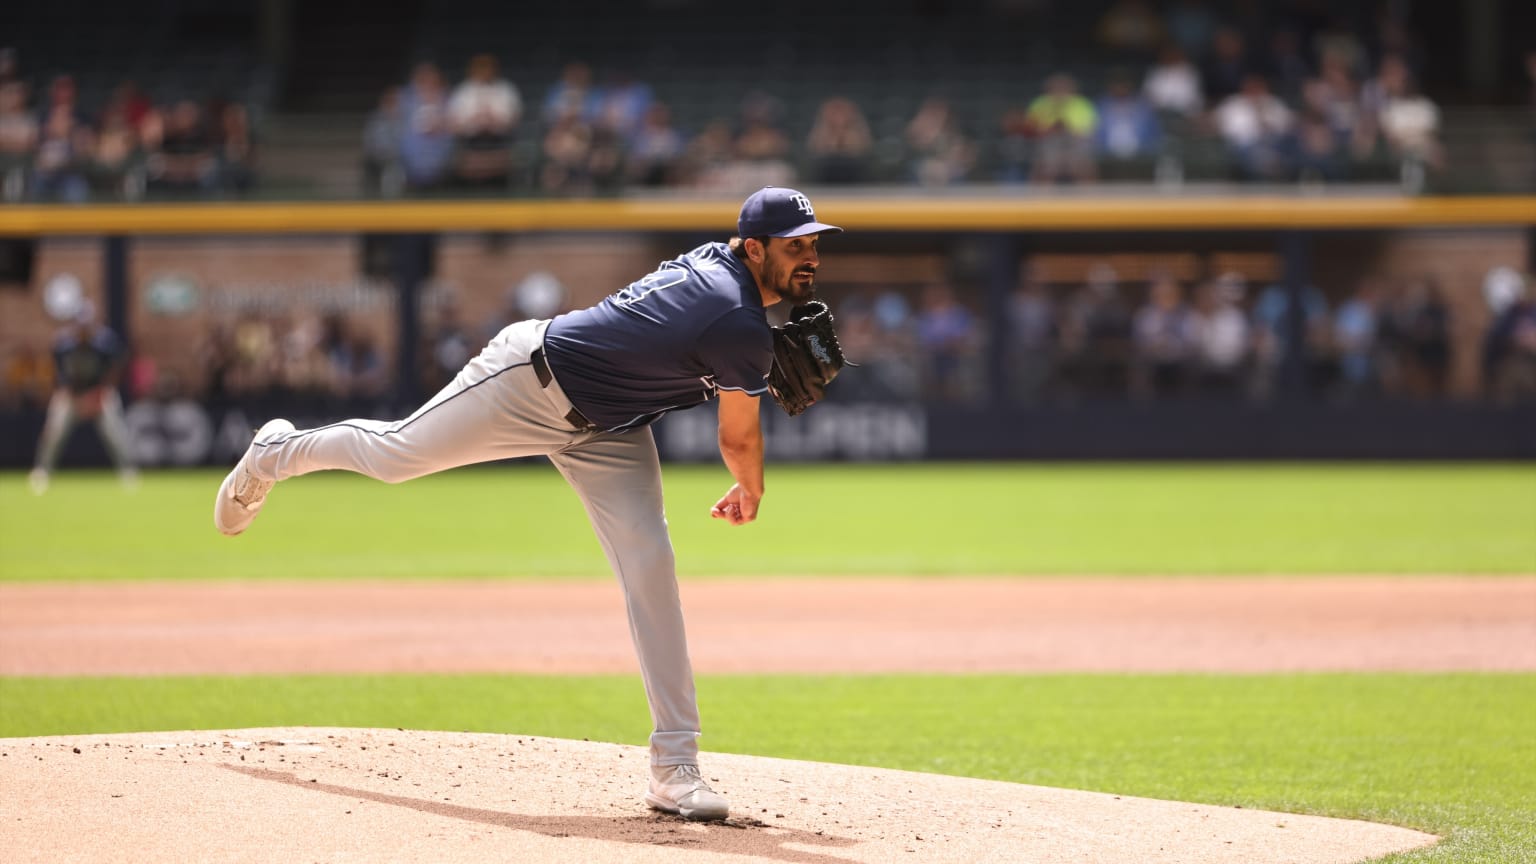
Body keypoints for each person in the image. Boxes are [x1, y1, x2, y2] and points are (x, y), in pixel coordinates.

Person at [211, 186, 843, 822]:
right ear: (754, 248)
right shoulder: (736, 321)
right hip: (529, 382)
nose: (809, 256)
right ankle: (276, 452)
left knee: (651, 565)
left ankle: (674, 769)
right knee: (397, 455)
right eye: (796, 246)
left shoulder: (724, 269)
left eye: (815, 243)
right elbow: (737, 437)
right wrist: (751, 486)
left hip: (612, 426)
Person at [29, 300, 139, 495]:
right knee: (55, 431)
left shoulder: (105, 342)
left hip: (100, 392)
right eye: (80, 325)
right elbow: (59, 374)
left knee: (115, 432)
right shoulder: (63, 344)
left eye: (87, 325)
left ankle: (128, 471)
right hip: (71, 394)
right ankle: (42, 471)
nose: (84, 329)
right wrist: (74, 398)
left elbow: (116, 368)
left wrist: (98, 395)